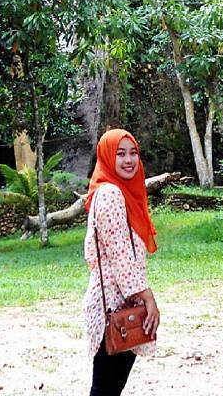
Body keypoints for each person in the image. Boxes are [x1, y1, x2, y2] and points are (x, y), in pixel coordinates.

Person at [83, 128, 160, 396]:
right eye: (120, 154)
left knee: (108, 388)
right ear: (106, 157)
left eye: (133, 153)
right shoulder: (110, 195)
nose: (129, 160)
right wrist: (148, 298)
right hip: (115, 306)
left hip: (122, 303)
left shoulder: (119, 193)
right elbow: (121, 259)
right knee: (105, 389)